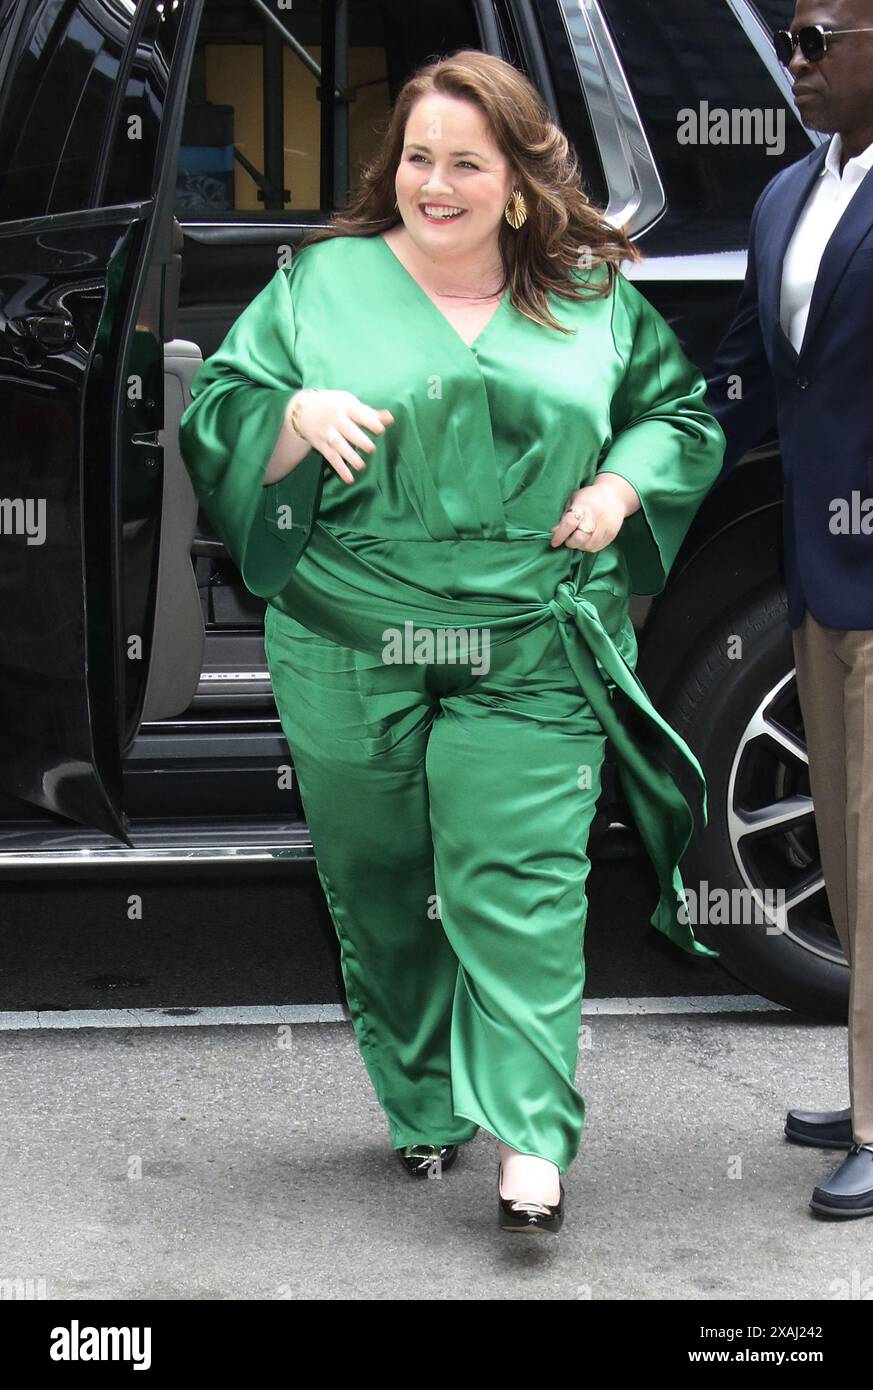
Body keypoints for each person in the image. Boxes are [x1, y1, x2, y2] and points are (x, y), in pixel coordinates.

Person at [179, 49, 725, 1236]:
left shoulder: (588, 293)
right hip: (348, 630)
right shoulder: (321, 282)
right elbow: (216, 410)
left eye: (465, 163)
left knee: (520, 880)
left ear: (518, 182)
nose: (434, 183)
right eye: (417, 157)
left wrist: (624, 490)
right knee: (381, 884)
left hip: (526, 634)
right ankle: (424, 1102)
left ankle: (532, 1136)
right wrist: (292, 415)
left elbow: (677, 416)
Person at [705, 2, 873, 1219]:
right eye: (791, 39)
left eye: (819, 37)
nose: (794, 61)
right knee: (846, 844)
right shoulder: (784, 200)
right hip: (819, 579)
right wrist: (630, 473)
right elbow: (750, 384)